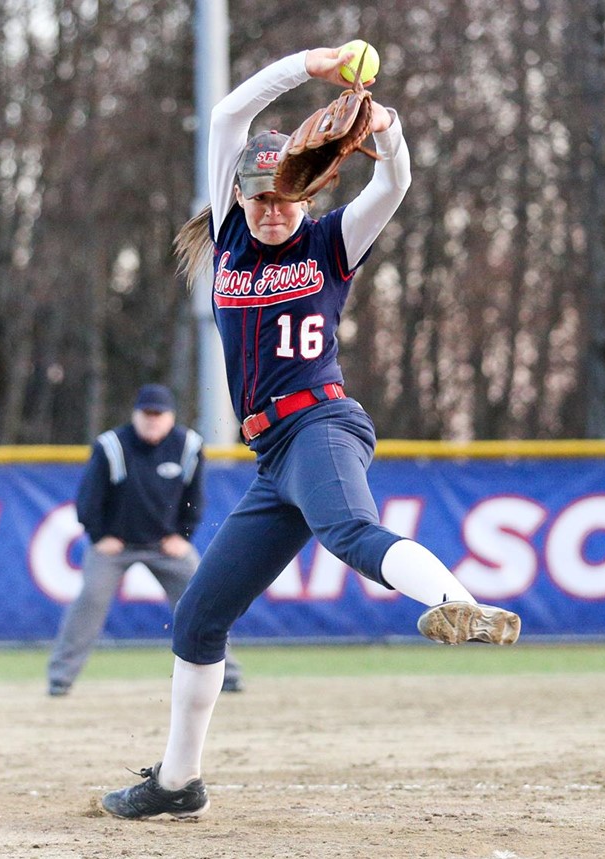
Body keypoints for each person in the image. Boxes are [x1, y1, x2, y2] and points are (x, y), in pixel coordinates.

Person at [100, 45, 520, 821]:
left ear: (309, 193)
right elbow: (230, 115)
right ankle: (177, 783)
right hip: (273, 462)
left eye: (285, 196)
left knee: (351, 532)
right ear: (238, 194)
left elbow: (395, 182)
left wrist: (386, 129)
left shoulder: (331, 242)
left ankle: (462, 604)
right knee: (197, 617)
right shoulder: (226, 236)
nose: (271, 208)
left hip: (322, 426)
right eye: (259, 196)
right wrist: (312, 65)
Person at [46, 383, 244, 697]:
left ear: (171, 417)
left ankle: (227, 674)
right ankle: (60, 678)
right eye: (146, 413)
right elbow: (87, 500)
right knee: (90, 600)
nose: (152, 420)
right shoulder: (111, 445)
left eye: (159, 414)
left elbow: (195, 499)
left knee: (204, 603)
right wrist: (99, 535)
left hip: (166, 545)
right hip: (115, 545)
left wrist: (183, 535)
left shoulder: (189, 445)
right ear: (135, 415)